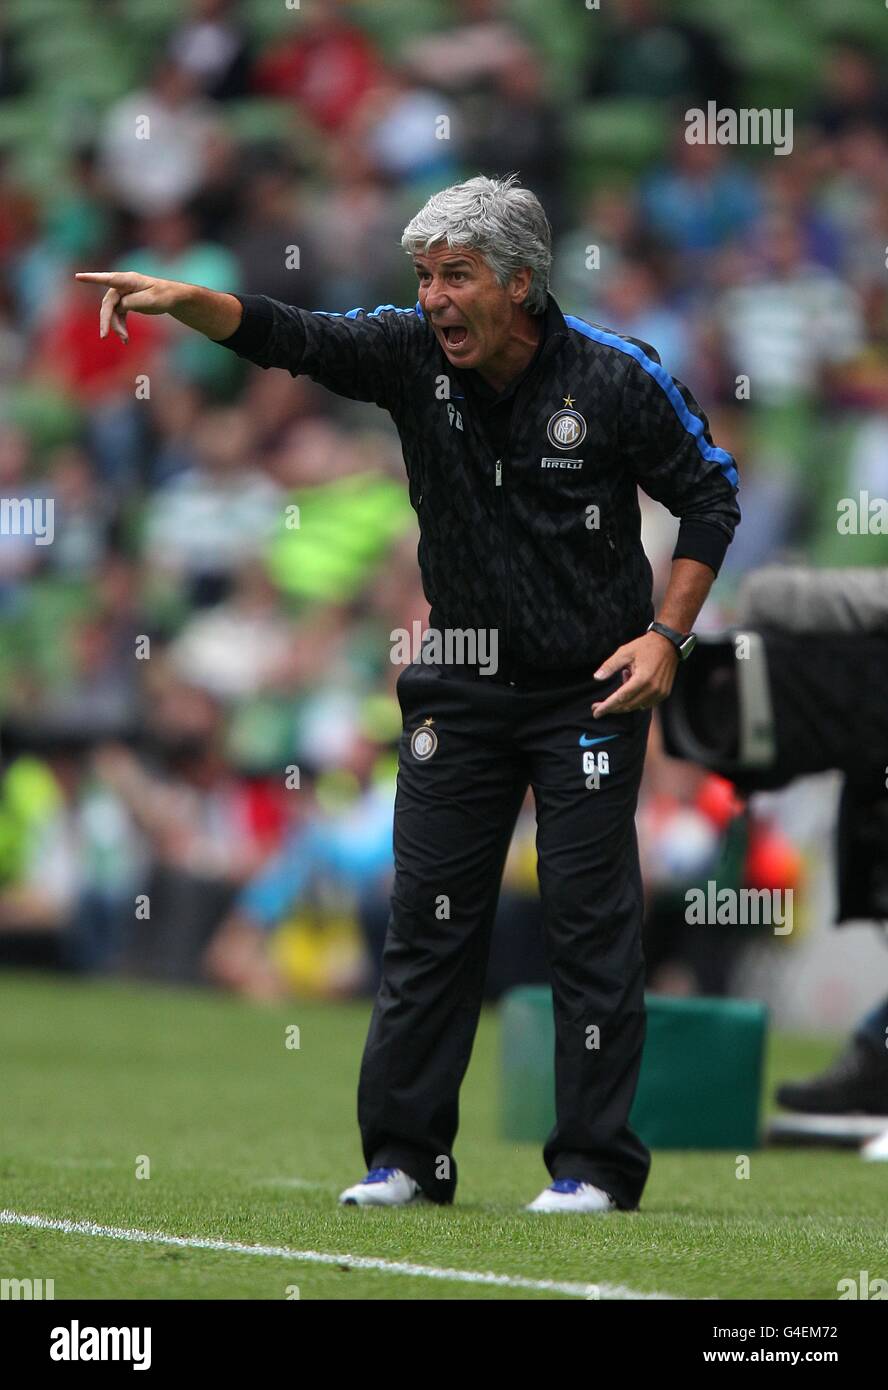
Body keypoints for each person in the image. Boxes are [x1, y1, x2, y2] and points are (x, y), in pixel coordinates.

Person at [75, 173, 740, 1214]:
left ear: (520, 283)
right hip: (459, 688)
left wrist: (666, 637)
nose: (432, 298)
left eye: (456, 276)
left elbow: (710, 497)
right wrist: (186, 299)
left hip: (590, 693)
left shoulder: (617, 379)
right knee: (428, 922)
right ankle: (407, 1160)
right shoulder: (407, 354)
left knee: (587, 923)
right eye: (423, 275)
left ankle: (595, 1169)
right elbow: (291, 334)